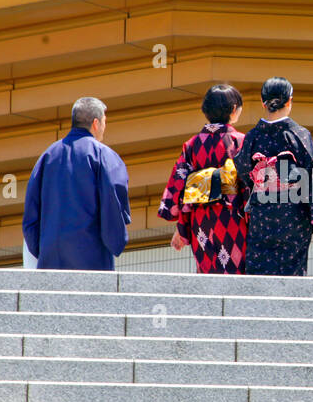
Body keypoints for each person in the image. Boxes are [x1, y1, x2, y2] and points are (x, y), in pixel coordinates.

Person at [235, 77, 313, 276]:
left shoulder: (253, 136)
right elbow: (312, 173)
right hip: (293, 214)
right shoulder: (299, 134)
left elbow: (244, 169)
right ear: (289, 101)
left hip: (262, 214)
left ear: (263, 103)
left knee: (259, 269)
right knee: (292, 270)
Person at [22, 97, 131, 270]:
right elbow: (114, 203)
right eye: (104, 122)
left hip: (51, 258)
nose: (104, 127)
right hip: (91, 256)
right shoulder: (103, 155)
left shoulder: (47, 157)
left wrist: (42, 249)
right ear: (95, 123)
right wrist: (116, 240)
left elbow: (30, 214)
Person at [157, 84, 248, 274]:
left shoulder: (192, 145)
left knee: (207, 274)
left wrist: (181, 225)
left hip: (201, 220)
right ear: (233, 110)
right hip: (231, 217)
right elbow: (249, 185)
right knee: (236, 273)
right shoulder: (240, 142)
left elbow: (180, 185)